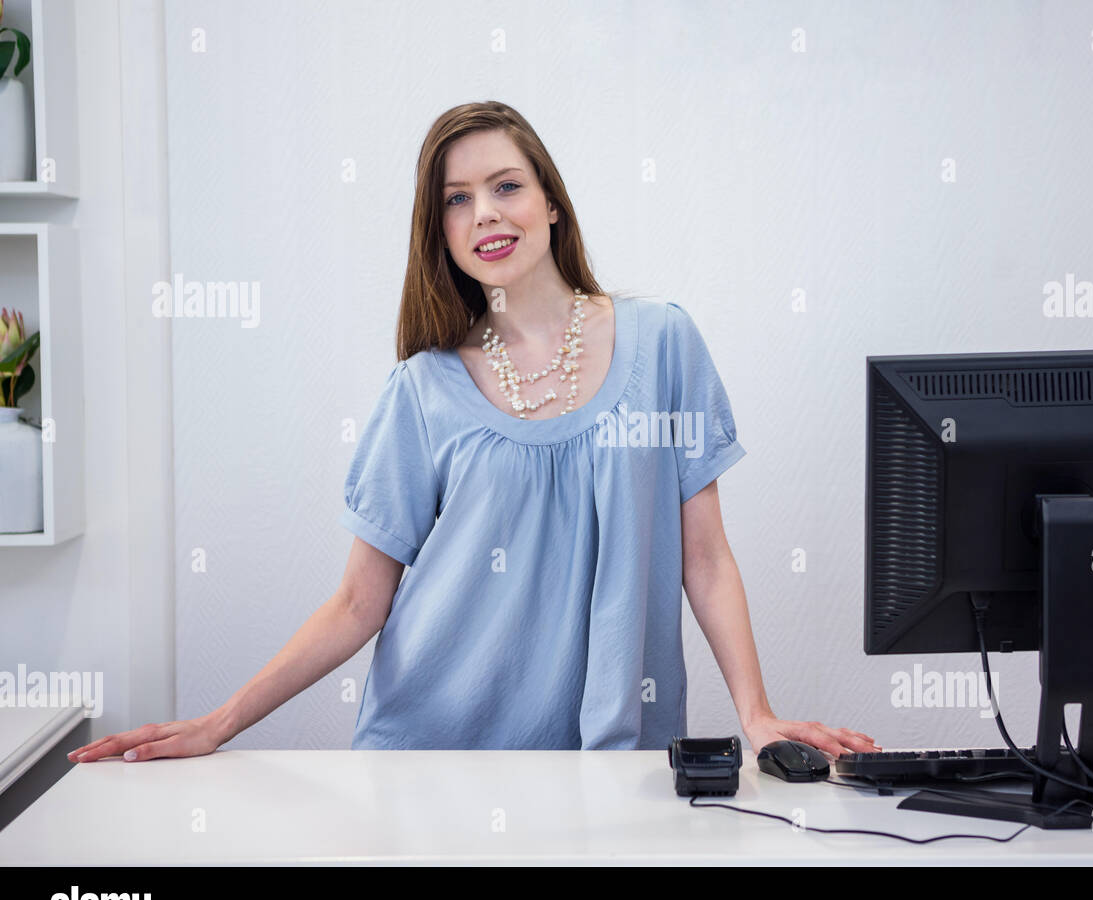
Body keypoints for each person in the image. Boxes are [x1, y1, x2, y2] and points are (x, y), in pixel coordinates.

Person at [68, 101, 881, 763]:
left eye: (506, 186)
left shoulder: (663, 342)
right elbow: (358, 601)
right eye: (457, 199)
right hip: (434, 757)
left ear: (552, 204)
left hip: (615, 759)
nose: (484, 212)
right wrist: (219, 722)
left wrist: (758, 714)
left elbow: (703, 559)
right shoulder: (424, 389)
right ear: (442, 233)